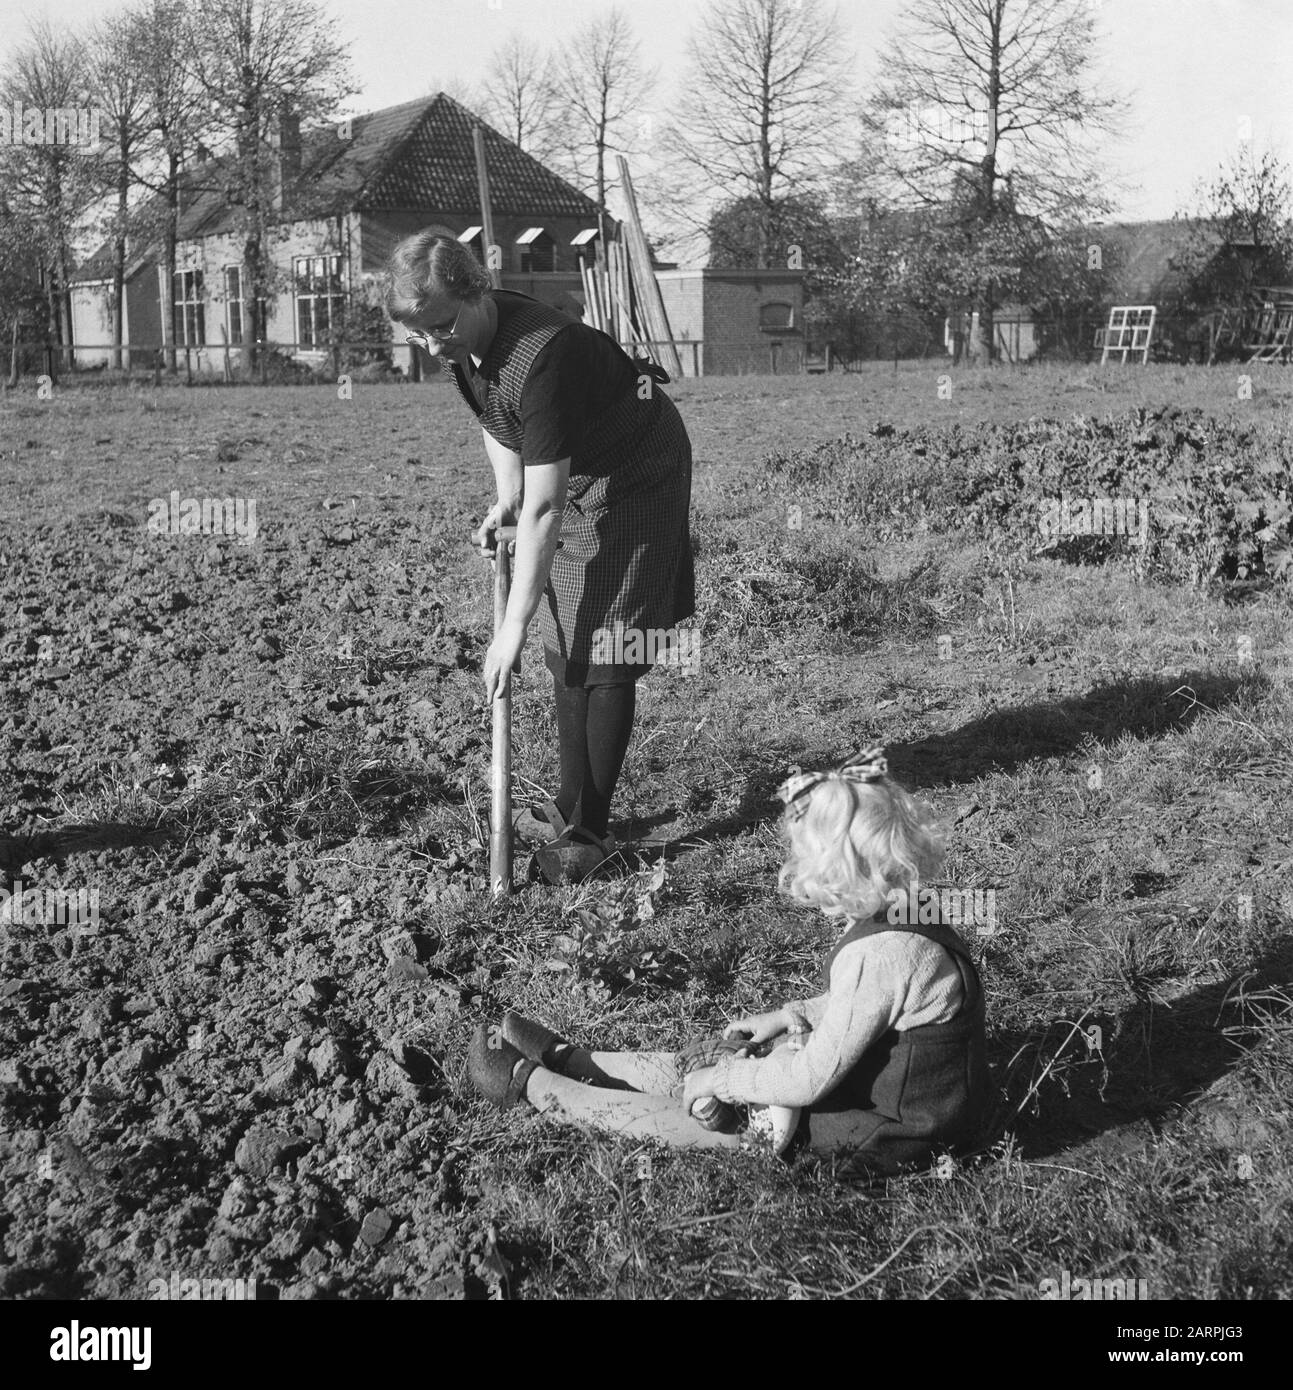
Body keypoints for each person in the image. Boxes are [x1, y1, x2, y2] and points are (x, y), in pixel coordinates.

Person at [466, 748, 991, 1173]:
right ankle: (573, 1060)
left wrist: (726, 1082)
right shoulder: (905, 914)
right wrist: (791, 1017)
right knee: (716, 1065)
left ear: (846, 878)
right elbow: (858, 1007)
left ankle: (538, 1087)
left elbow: (810, 1078)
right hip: (884, 1088)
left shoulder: (883, 955)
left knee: (729, 1119)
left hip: (886, 1128)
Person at [386, 232, 695, 883]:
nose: (433, 346)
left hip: (636, 467)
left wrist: (508, 633)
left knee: (609, 649)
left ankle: (588, 833)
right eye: (418, 336)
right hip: (576, 469)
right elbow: (495, 418)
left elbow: (547, 511)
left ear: (475, 292)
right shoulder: (461, 342)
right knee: (568, 643)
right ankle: (567, 806)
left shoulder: (543, 356)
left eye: (440, 327)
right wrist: (507, 497)